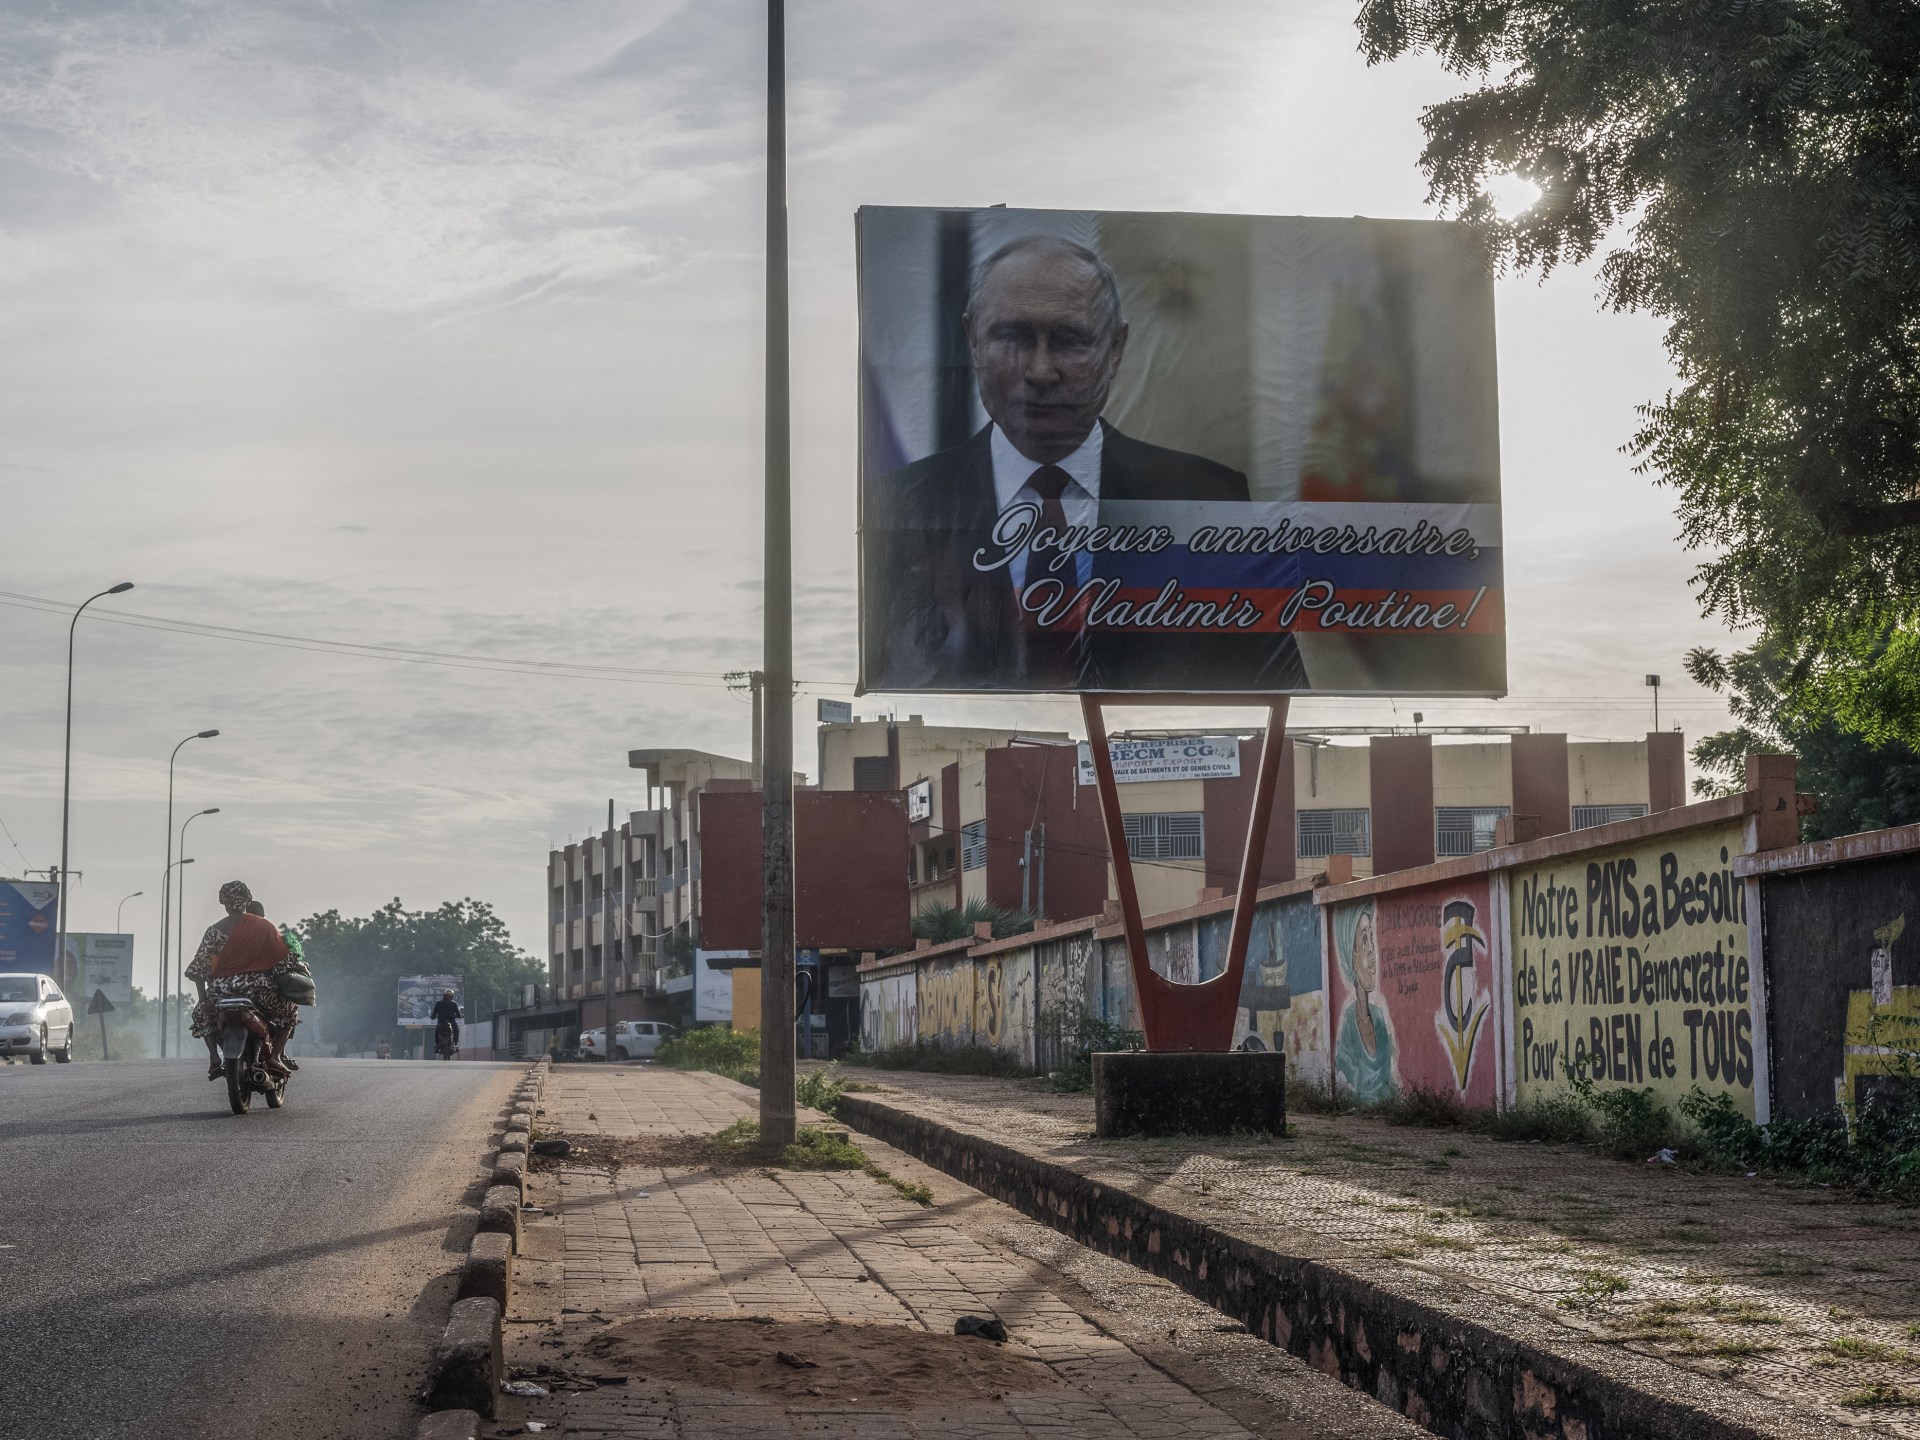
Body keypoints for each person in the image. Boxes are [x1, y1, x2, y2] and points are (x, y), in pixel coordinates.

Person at [864, 233, 1306, 692]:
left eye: (1070, 341)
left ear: (1116, 350)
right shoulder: (898, 505)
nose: (1040, 372)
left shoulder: (1207, 500)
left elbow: (1274, 691)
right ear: (972, 341)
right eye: (1013, 337)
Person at [186, 880, 298, 1081]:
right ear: (248, 900)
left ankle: (213, 1056)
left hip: (220, 992)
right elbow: (285, 961)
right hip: (258, 991)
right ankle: (275, 1057)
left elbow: (198, 969)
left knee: (200, 1015)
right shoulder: (264, 926)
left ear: (224, 903)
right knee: (289, 1009)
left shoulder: (214, 930)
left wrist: (204, 1000)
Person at [1333, 906, 1396, 1104]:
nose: (1372, 951)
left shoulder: (1378, 1017)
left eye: (1371, 937)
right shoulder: (1349, 1025)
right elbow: (1344, 1079)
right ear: (1351, 957)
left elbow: (1389, 1082)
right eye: (1364, 940)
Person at [431, 989, 462, 1057]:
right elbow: (458, 1014)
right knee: (456, 1031)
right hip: (451, 1022)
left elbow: (434, 1013)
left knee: (436, 1032)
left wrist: (432, 1017)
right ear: (452, 996)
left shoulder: (438, 1003)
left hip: (441, 1022)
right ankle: (456, 1044)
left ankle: (437, 1046)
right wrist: (460, 1016)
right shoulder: (454, 1003)